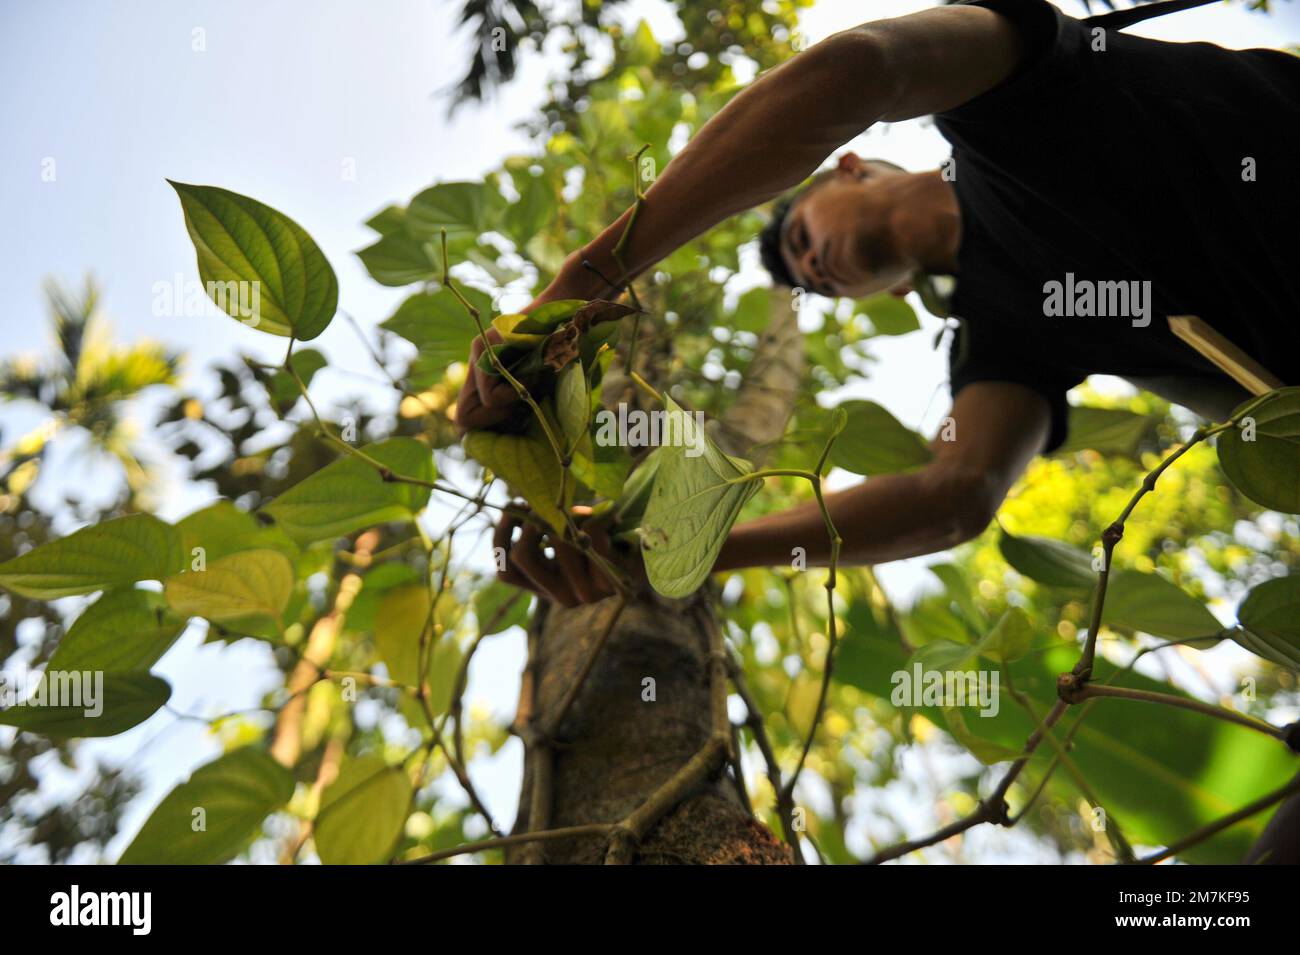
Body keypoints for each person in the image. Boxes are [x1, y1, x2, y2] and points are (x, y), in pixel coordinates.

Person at [455, 0, 1299, 607]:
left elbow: (863, 68)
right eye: (811, 284)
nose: (811, 269)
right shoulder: (1005, 336)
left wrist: (584, 281)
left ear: (849, 166)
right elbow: (954, 495)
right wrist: (681, 549)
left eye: (797, 241)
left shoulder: (997, 107)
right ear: (891, 291)